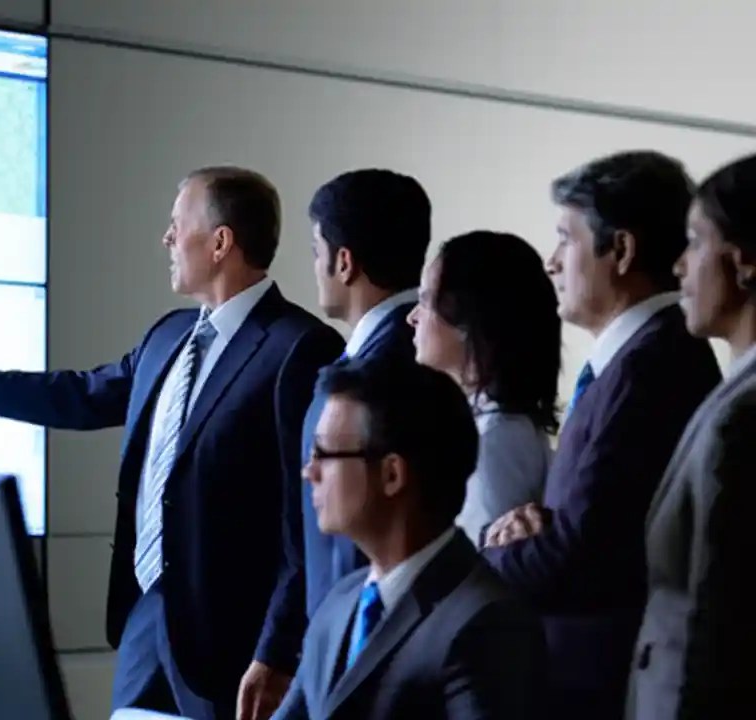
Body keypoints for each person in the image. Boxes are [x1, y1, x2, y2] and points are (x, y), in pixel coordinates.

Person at [0, 166, 344, 720]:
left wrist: (279, 650)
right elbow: (81, 395)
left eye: (177, 225)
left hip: (234, 642)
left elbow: (305, 521)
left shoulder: (299, 348)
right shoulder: (168, 335)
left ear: (220, 242)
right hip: (145, 617)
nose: (166, 239)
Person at [480, 150, 721, 719]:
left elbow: (580, 556)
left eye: (566, 239)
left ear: (621, 250)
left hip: (603, 688)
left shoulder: (650, 368)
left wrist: (493, 550)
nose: (551, 262)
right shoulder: (634, 360)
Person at [273, 361, 546, 720]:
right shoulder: (339, 602)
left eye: (322, 453)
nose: (309, 472)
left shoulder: (488, 623)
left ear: (391, 474)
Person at [627, 153, 756, 719]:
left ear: (743, 261)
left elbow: (722, 621)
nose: (679, 266)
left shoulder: (744, 416)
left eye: (695, 242)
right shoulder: (735, 395)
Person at [300, 169, 431, 614]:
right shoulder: (393, 348)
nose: (315, 267)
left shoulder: (385, 367)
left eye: (316, 251)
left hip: (362, 619)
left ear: (344, 263)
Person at [407, 230, 559, 543]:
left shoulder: (493, 443)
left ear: (466, 317)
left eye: (424, 300)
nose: (412, 317)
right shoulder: (501, 428)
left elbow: (483, 564)